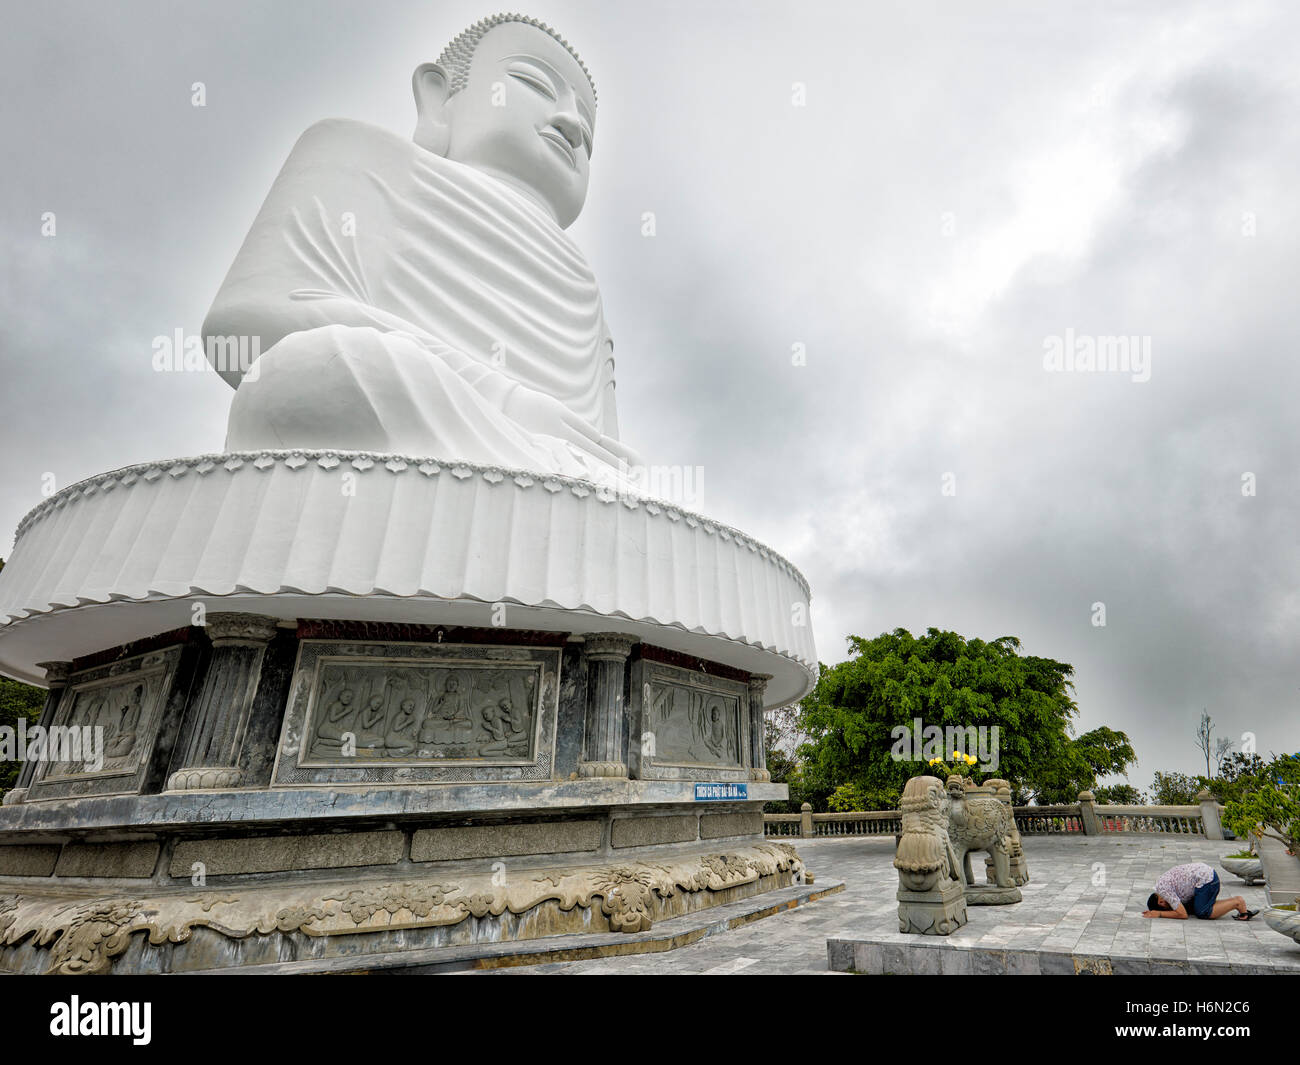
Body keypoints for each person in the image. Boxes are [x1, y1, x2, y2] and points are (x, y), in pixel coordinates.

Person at [1143, 861, 1258, 920]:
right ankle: (1236, 904)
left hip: (1207, 880)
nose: (1169, 907)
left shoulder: (1164, 891)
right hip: (1205, 876)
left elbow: (1182, 915)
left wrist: (1159, 914)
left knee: (1203, 912)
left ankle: (1237, 902)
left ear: (1161, 902)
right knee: (1192, 908)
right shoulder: (1160, 885)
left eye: (1165, 908)